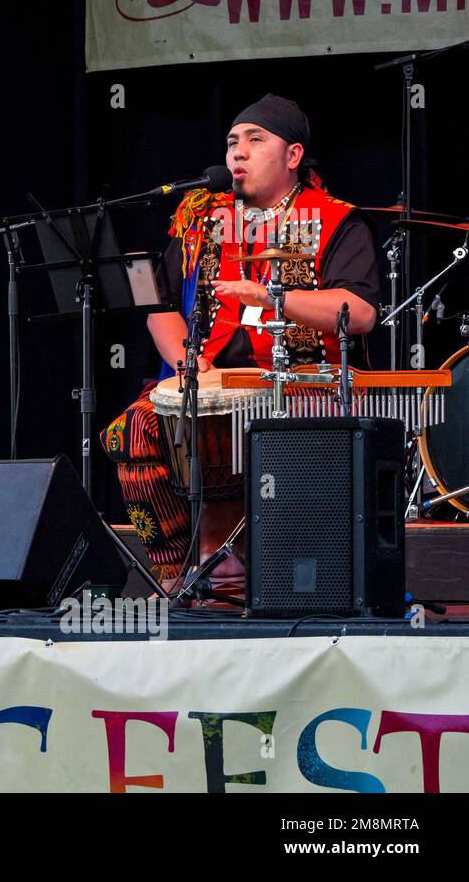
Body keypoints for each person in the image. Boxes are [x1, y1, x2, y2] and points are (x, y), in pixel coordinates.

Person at [101, 94, 381, 588]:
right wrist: (188, 364)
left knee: (240, 424)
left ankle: (239, 561)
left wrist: (274, 297)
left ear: (293, 156)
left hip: (304, 386)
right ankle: (183, 569)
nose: (238, 153)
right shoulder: (201, 219)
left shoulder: (336, 218)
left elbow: (358, 313)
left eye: (255, 140)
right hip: (214, 383)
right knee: (132, 430)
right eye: (233, 142)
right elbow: (158, 303)